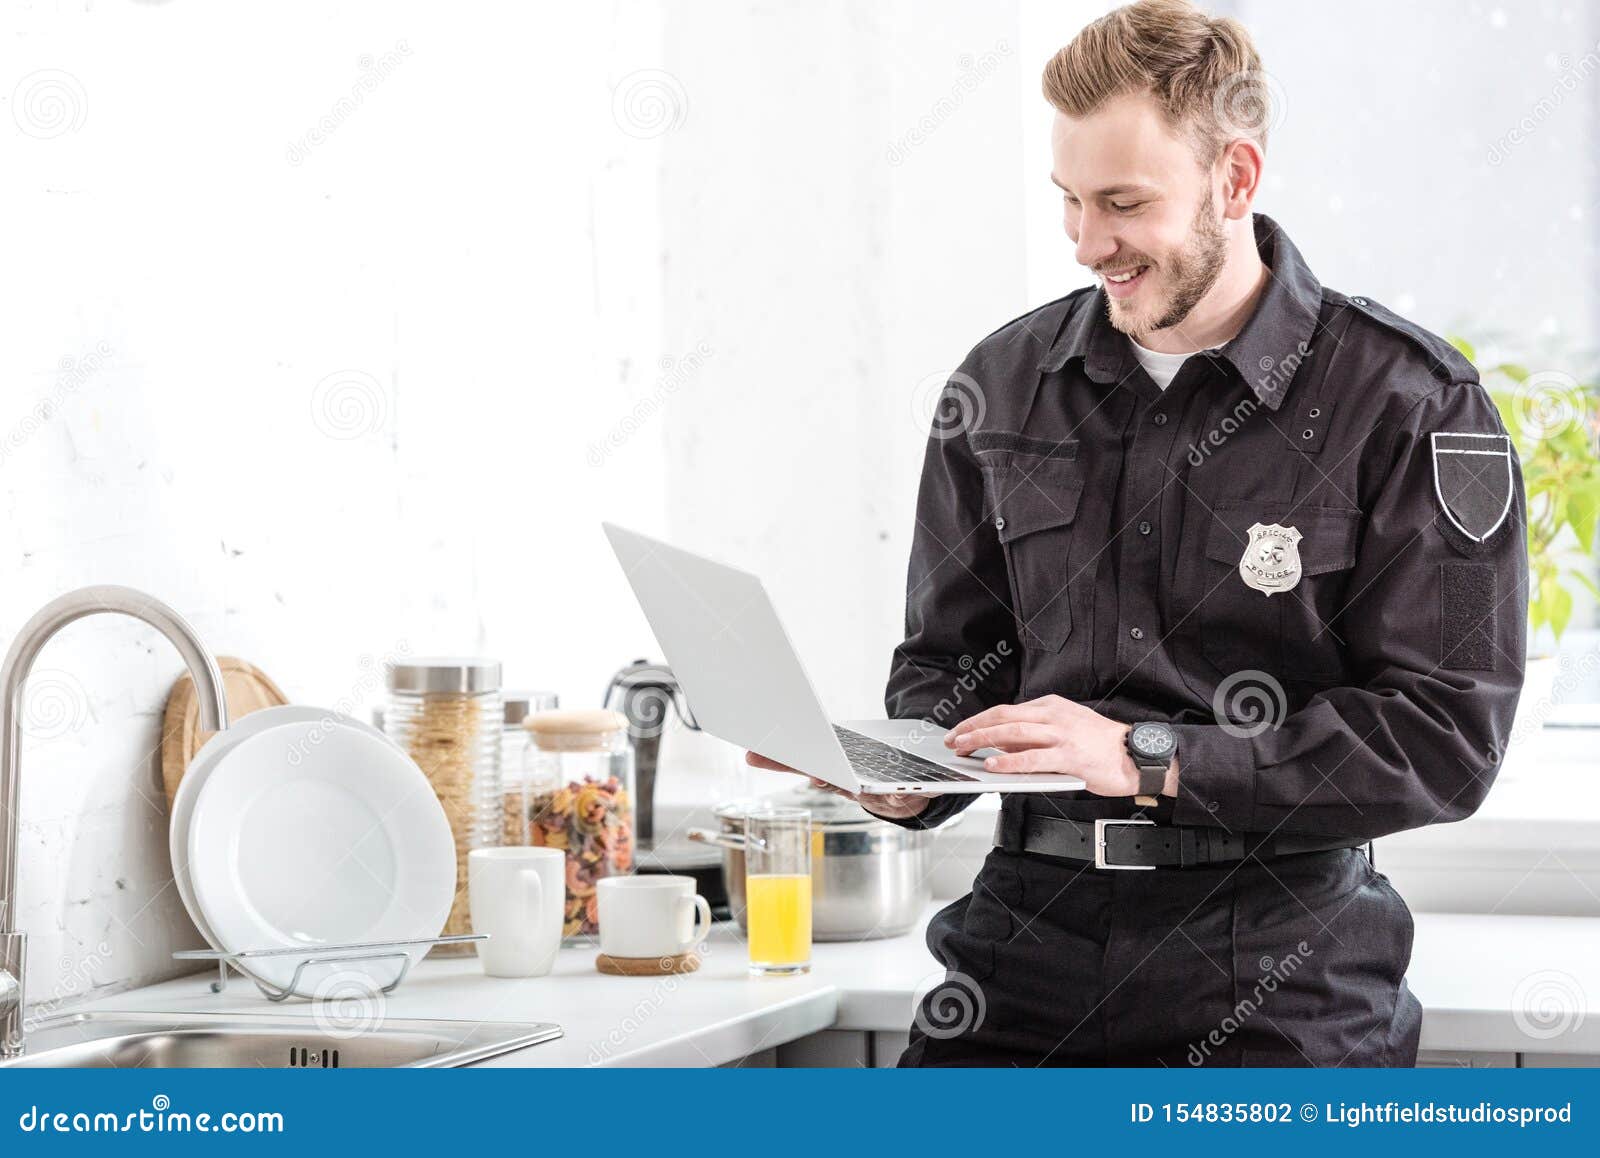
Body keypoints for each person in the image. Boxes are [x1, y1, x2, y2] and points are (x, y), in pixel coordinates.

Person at [749, 0, 1527, 1066]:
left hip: (1281, 979)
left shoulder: (1407, 402)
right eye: (1068, 201)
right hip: (1017, 959)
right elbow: (947, 664)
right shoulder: (1000, 386)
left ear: (1235, 179)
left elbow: (1445, 739)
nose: (1086, 244)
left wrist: (1144, 757)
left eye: (1121, 203)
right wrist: (909, 766)